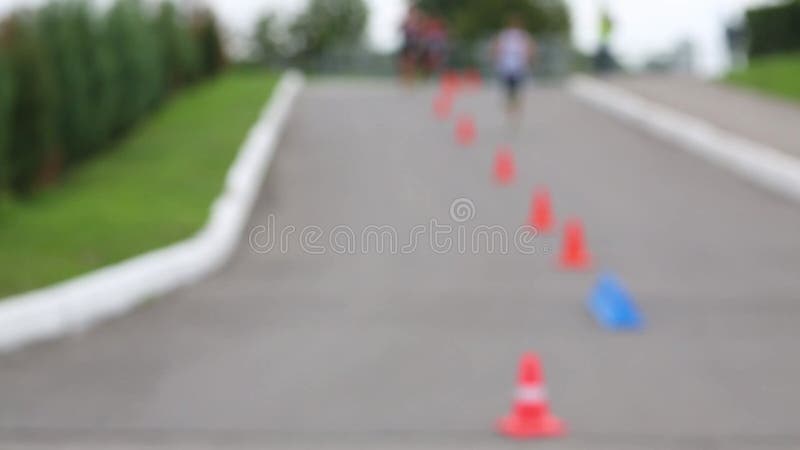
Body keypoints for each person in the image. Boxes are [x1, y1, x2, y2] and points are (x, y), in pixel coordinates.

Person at [493, 15, 536, 114]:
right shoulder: (505, 35)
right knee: (508, 89)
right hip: (507, 66)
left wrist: (530, 59)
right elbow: (497, 47)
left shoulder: (523, 36)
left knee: (517, 89)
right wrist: (496, 58)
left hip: (519, 67)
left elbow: (530, 48)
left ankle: (514, 105)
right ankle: (510, 105)